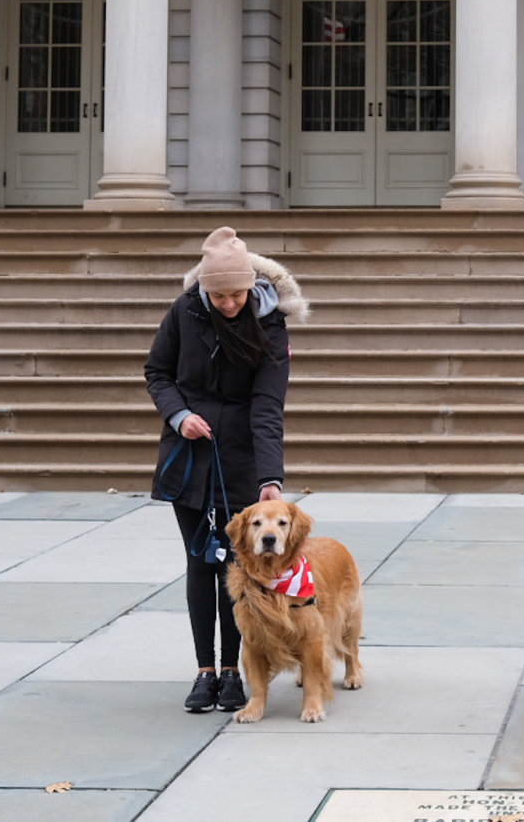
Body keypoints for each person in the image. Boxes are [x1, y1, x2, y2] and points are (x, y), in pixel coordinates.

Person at [145, 226, 309, 715]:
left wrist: (269, 480)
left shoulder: (271, 325)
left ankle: (237, 670)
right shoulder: (184, 312)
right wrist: (179, 415)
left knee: (237, 570)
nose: (230, 303)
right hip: (189, 453)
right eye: (219, 295)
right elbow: (157, 373)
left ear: (251, 287)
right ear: (204, 289)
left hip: (241, 457)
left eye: (237, 293)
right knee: (201, 561)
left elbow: (267, 406)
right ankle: (204, 671)